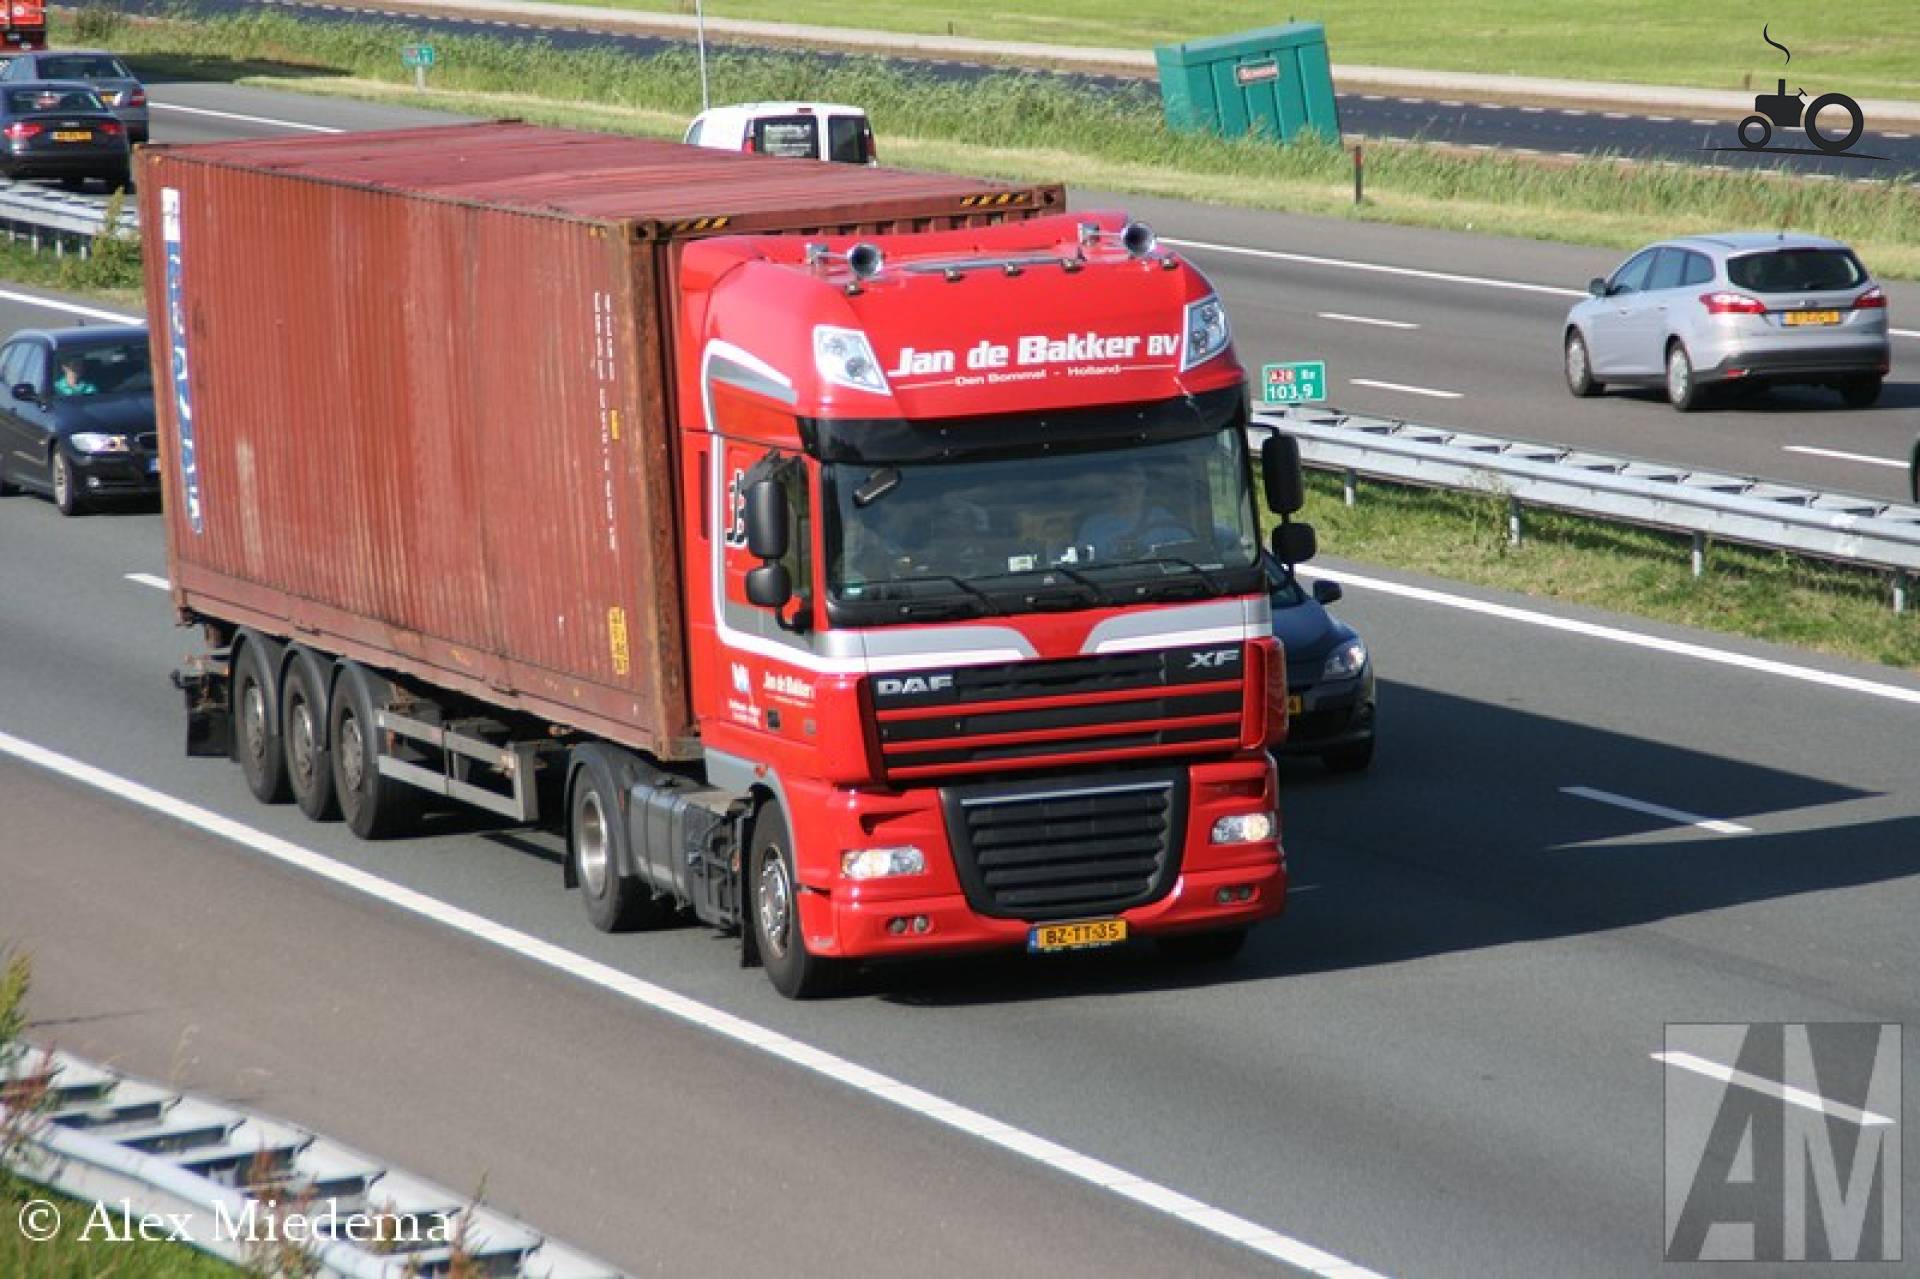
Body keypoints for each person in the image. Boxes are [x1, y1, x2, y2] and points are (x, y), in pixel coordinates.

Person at [1077, 467, 1193, 561]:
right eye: (1126, 486)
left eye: (1139, 485)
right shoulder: (1094, 526)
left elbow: (1188, 550)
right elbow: (1085, 562)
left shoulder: (1162, 519)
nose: (1134, 491)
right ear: (1114, 489)